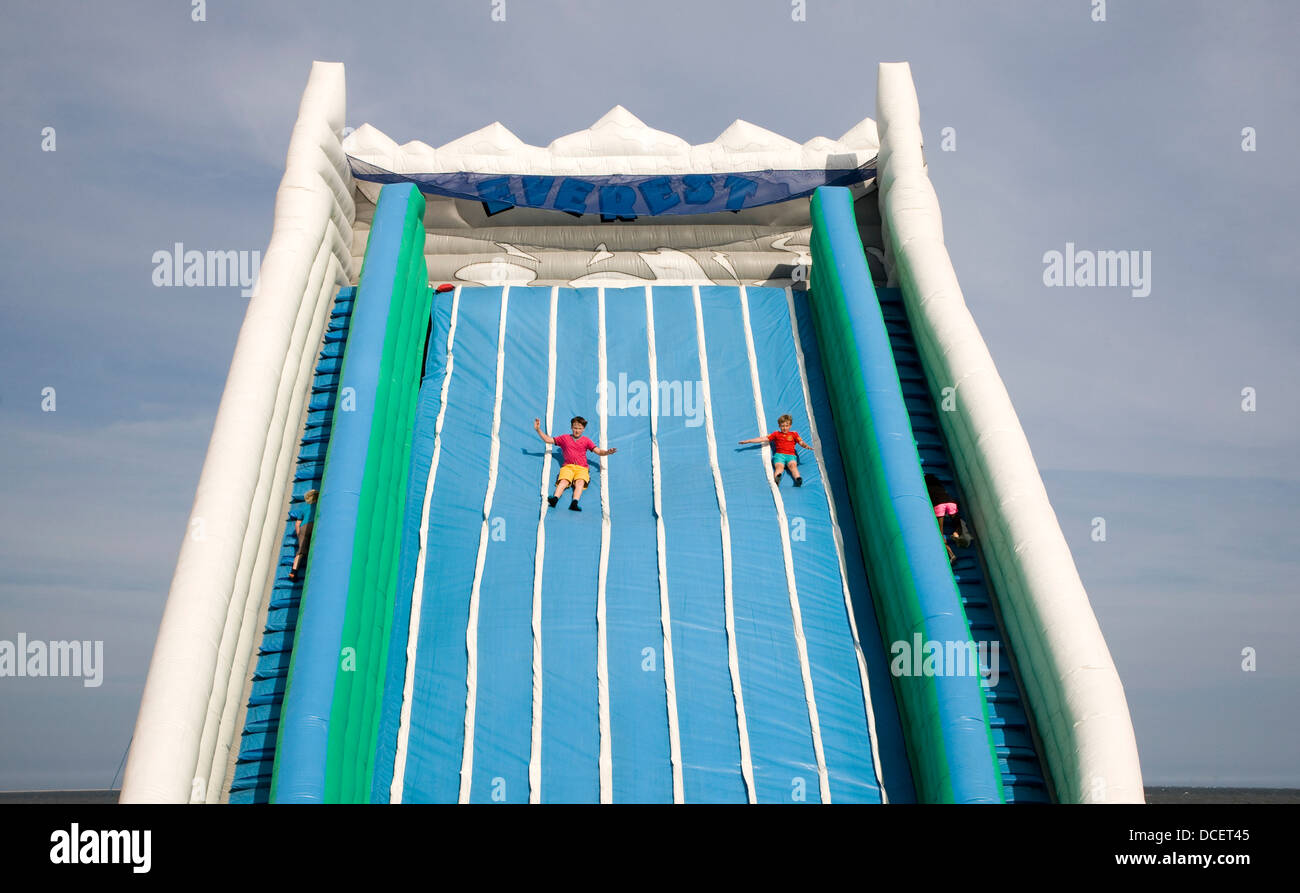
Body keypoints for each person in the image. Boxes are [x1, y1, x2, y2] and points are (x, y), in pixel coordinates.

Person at [534, 416, 616, 511]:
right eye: (575, 428)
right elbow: (548, 440)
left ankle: (574, 503)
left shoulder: (586, 440)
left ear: (583, 429)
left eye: (580, 428)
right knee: (563, 481)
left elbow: (598, 451)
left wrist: (607, 452)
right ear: (571, 427)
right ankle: (555, 499)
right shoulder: (564, 438)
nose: (577, 431)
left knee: (580, 482)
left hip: (582, 468)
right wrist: (538, 430)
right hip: (568, 467)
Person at [739, 414, 810, 486]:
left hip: (791, 455)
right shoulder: (776, 434)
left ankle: (798, 479)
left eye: (786, 426)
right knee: (779, 467)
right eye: (782, 426)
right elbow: (762, 439)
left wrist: (805, 446)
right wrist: (748, 441)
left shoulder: (794, 434)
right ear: (779, 426)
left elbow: (801, 442)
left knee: (793, 466)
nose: (784, 428)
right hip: (779, 455)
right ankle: (777, 477)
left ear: (790, 426)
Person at [925, 473, 971, 562]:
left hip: (939, 505)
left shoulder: (927, 488)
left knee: (940, 534)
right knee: (958, 525)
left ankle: (952, 555)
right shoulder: (940, 486)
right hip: (950, 503)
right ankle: (956, 534)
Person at [288, 489, 318, 581]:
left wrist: (299, 535)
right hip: (314, 524)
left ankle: (293, 572)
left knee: (300, 551)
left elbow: (297, 523)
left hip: (303, 527)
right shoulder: (318, 506)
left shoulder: (303, 508)